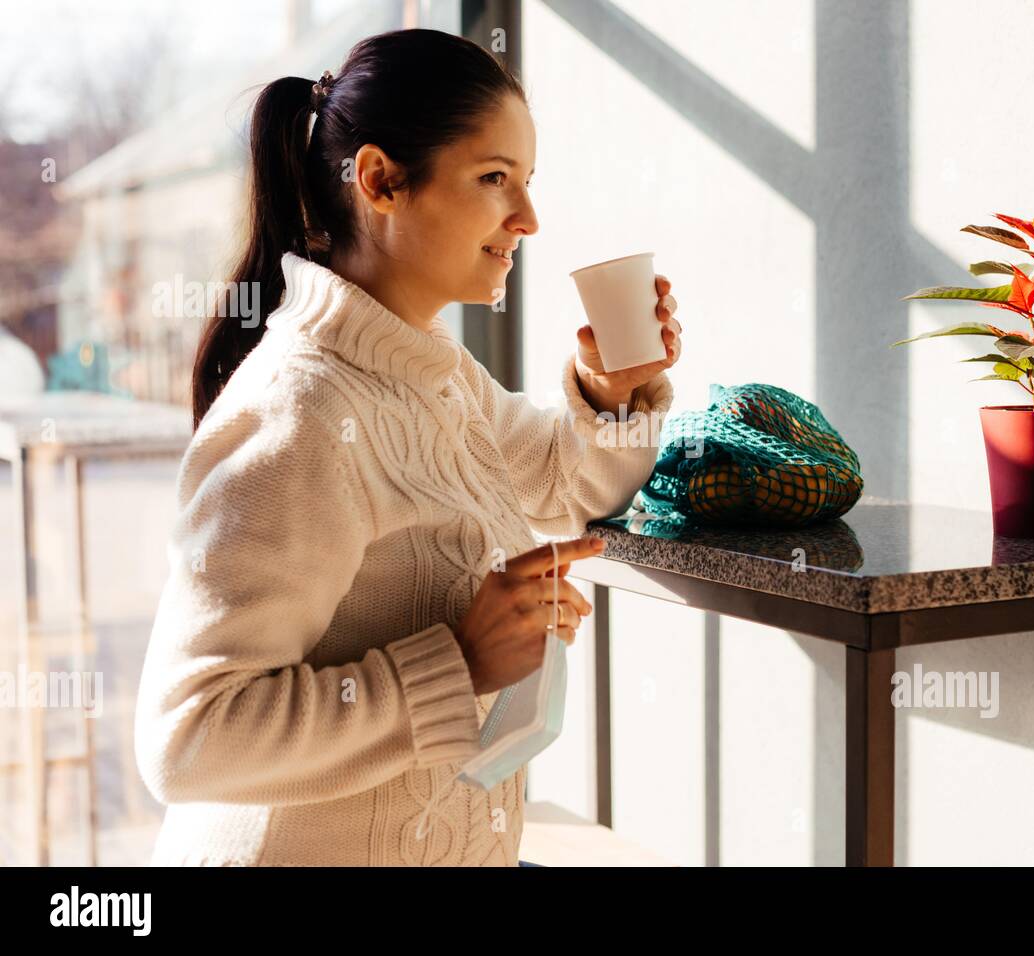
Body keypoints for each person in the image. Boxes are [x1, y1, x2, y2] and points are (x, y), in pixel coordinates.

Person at [133, 28, 682, 866]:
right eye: (494, 180)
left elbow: (564, 485)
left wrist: (609, 390)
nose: (528, 219)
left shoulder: (427, 369)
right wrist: (459, 662)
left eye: (527, 182)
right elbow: (189, 737)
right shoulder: (299, 411)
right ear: (381, 181)